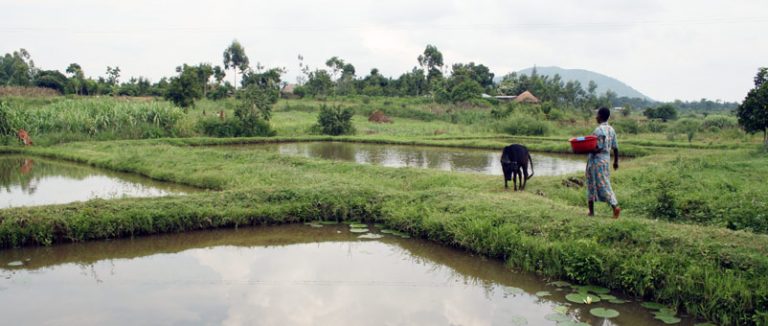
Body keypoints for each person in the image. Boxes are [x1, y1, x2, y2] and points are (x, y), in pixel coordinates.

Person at [587, 107, 620, 218]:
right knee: (599, 183)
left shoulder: (598, 131)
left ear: (600, 116)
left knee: (598, 184)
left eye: (597, 115)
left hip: (596, 162)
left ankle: (615, 206)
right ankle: (591, 212)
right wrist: (615, 162)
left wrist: (584, 149)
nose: (596, 117)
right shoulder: (611, 129)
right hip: (605, 161)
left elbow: (597, 148)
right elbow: (615, 147)